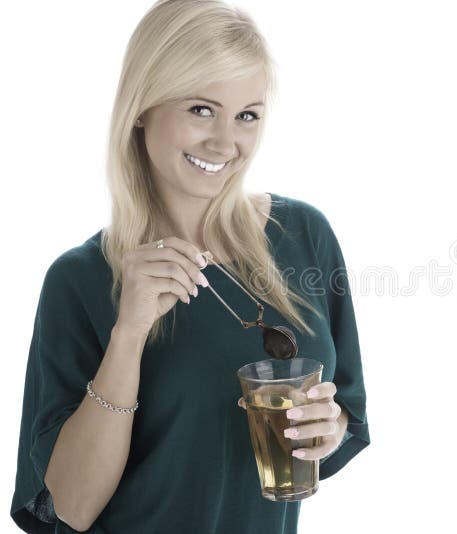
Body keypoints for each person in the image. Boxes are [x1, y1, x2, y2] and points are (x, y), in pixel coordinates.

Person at [10, 1, 370, 532]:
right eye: (201, 109)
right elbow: (71, 506)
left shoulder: (303, 236)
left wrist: (328, 429)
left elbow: (347, 413)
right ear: (142, 106)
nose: (225, 143)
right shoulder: (81, 280)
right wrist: (129, 334)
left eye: (247, 115)